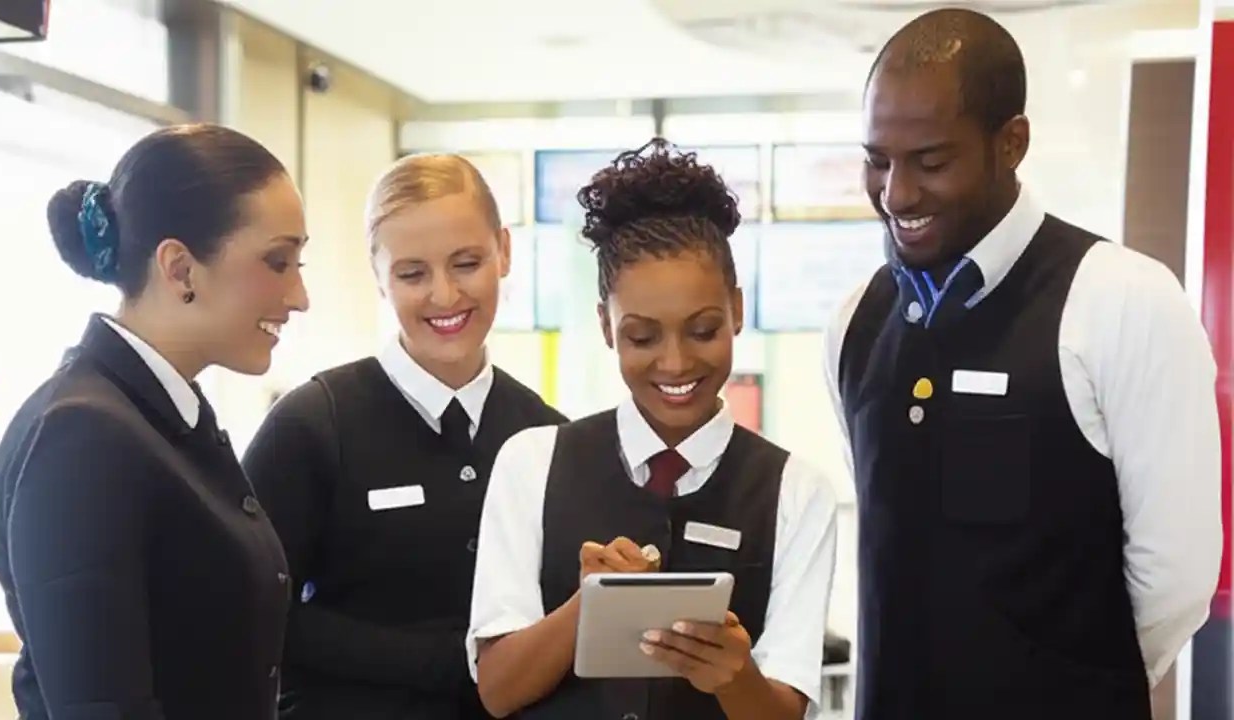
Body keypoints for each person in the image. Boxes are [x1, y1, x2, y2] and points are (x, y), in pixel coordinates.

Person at [823, 9, 1223, 720]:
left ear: (1012, 143)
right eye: (878, 159)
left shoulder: (1121, 299)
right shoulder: (856, 319)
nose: (896, 194)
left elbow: (1176, 579)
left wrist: (1066, 676)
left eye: (932, 161)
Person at [468, 138, 839, 720]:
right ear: (606, 326)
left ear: (737, 310)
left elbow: (783, 712)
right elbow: (498, 690)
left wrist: (734, 674)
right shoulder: (531, 463)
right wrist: (586, 606)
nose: (674, 363)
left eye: (703, 330)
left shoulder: (796, 492)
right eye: (642, 336)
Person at [0, 123, 310, 719]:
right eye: (277, 261)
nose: (299, 294)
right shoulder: (83, 437)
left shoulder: (161, 417)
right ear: (180, 268)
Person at [241, 153, 567, 719]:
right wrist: (457, 660)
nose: (444, 296)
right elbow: (253, 616)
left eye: (466, 263)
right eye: (412, 274)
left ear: (505, 252)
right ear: (377, 275)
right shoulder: (312, 425)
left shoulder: (548, 435)